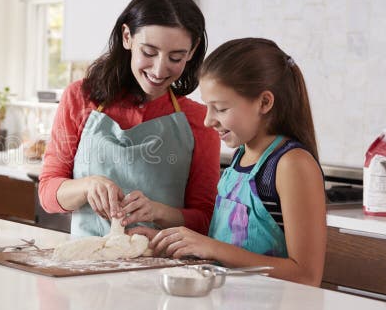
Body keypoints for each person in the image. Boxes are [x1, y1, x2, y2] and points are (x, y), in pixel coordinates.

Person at [136, 38, 327, 286]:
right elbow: (228, 247)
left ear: (264, 103)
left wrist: (211, 248)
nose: (208, 121)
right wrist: (170, 242)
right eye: (208, 107)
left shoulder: (291, 164)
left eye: (221, 109)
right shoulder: (240, 157)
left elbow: (306, 276)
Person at [38, 0, 221, 237]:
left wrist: (157, 212)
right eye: (149, 52)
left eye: (176, 58)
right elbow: (48, 193)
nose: (159, 70)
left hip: (164, 270)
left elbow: (205, 219)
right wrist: (87, 186)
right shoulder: (80, 98)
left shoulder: (200, 120)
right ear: (127, 37)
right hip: (85, 265)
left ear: (192, 50)